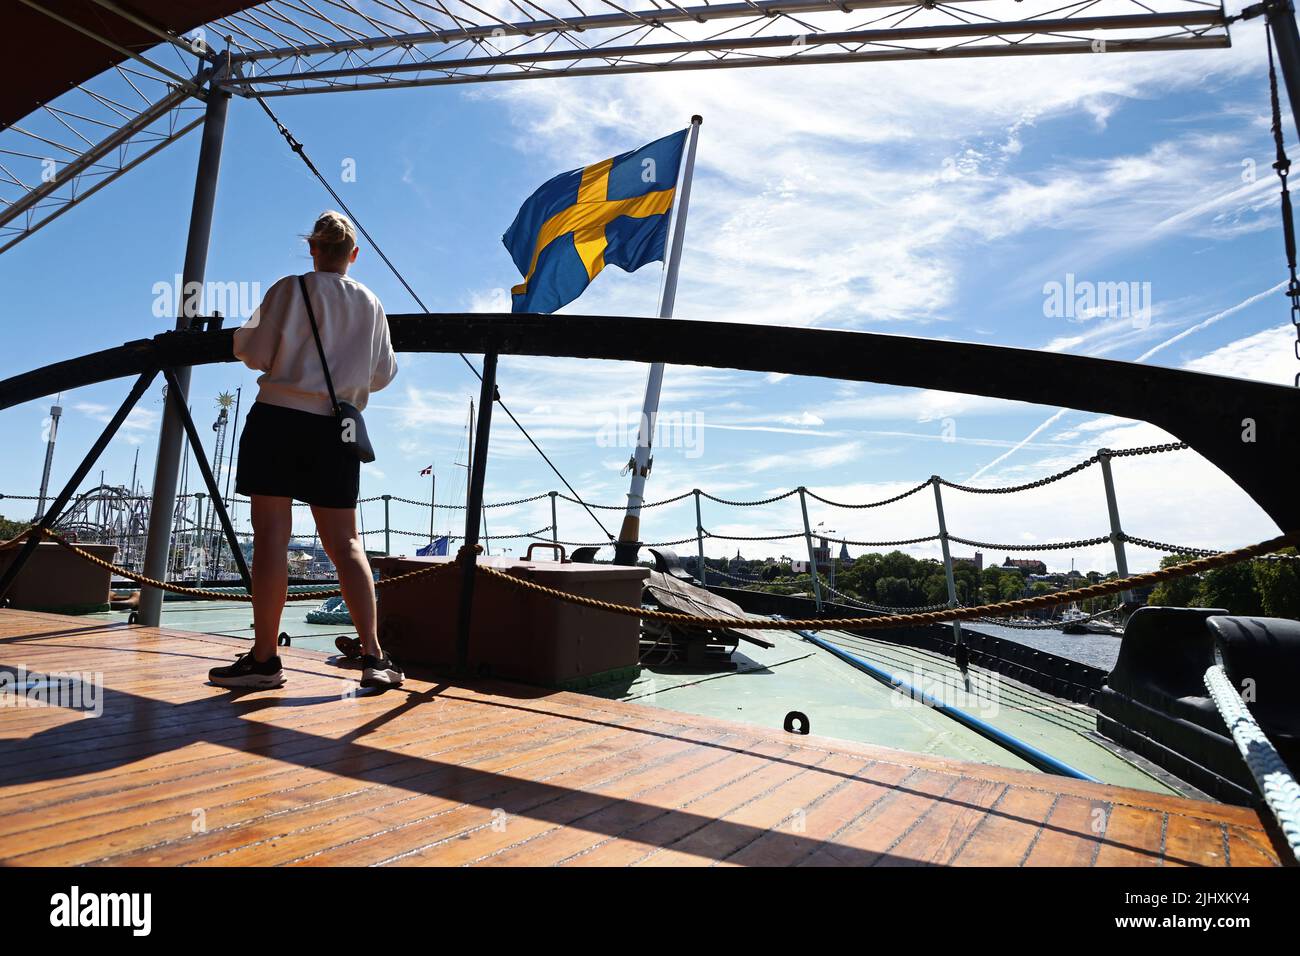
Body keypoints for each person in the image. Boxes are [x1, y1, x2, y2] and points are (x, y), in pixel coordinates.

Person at [208, 211, 401, 690]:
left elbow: (251, 351)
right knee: (346, 544)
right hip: (337, 429)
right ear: (353, 255)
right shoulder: (371, 302)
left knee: (272, 538)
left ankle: (265, 659)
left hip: (277, 418)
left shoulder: (286, 289)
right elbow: (383, 374)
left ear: (312, 248)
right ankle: (374, 657)